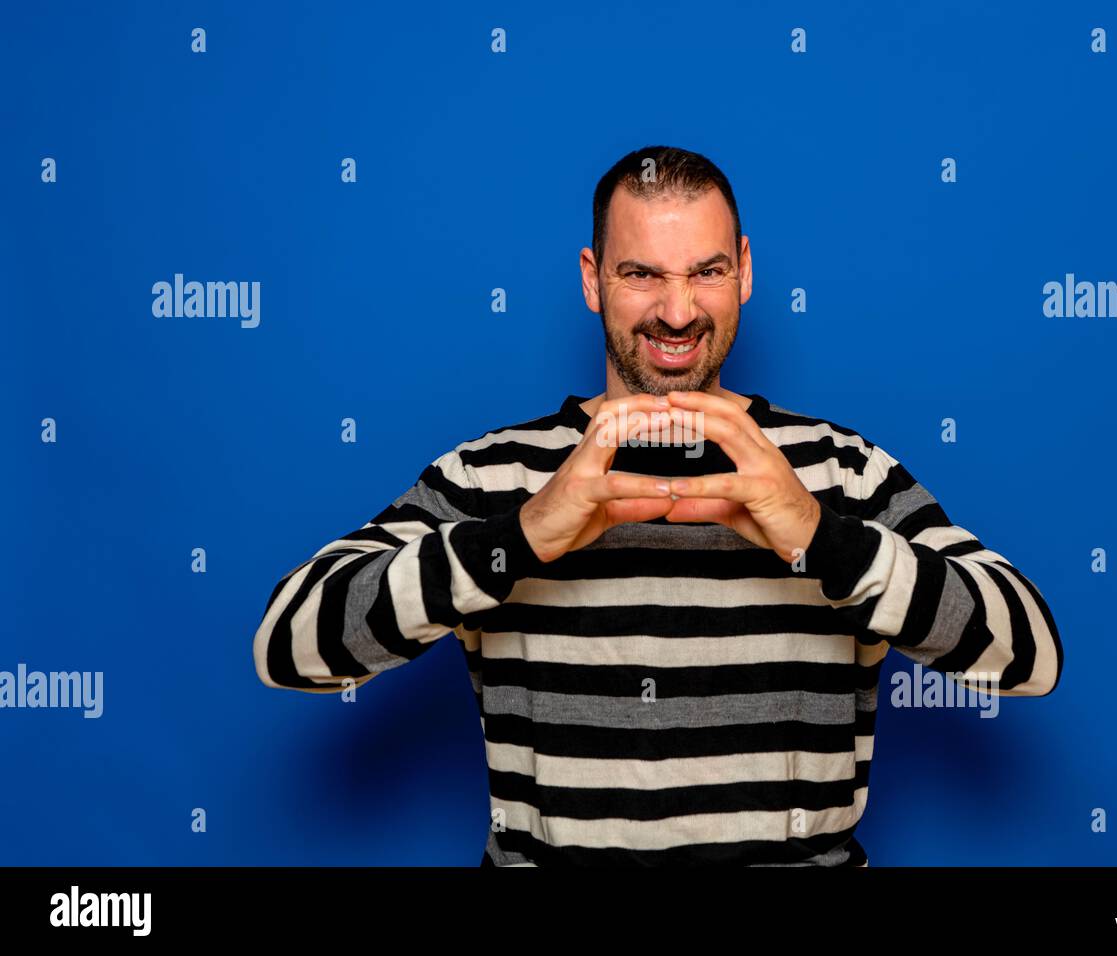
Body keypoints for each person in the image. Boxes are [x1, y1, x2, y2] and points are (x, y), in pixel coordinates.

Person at [252, 145, 1064, 866]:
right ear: (591, 280)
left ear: (744, 270)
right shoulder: (492, 476)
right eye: (641, 273)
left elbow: (1028, 656)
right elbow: (289, 646)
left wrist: (825, 540)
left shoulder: (841, 471)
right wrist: (521, 538)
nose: (677, 312)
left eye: (706, 272)